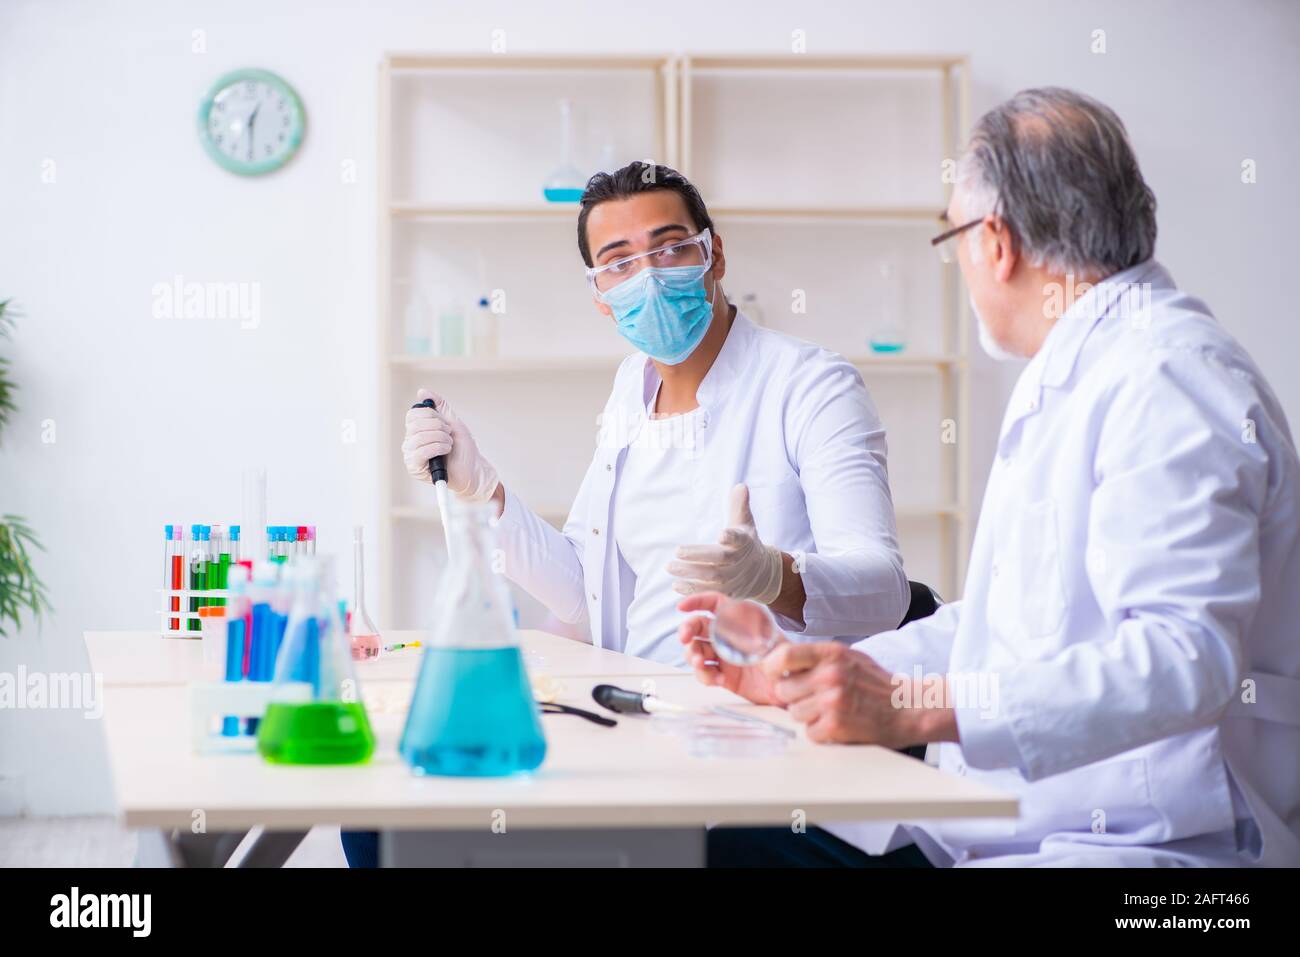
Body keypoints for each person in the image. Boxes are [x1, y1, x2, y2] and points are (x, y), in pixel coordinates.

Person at [683, 88, 1300, 867]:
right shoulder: (1086, 372)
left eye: (954, 240)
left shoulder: (1168, 379)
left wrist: (912, 707)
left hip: (1161, 855)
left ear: (996, 241)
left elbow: (1184, 659)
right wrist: (808, 676)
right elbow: (1011, 624)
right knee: (741, 836)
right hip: (1030, 816)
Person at [401, 162, 910, 667]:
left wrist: (776, 579)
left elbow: (886, 595)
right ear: (599, 294)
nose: (649, 279)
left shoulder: (811, 386)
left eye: (669, 249)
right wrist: (482, 492)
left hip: (774, 717)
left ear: (715, 255)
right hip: (643, 706)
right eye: (619, 263)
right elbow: (583, 592)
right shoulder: (630, 388)